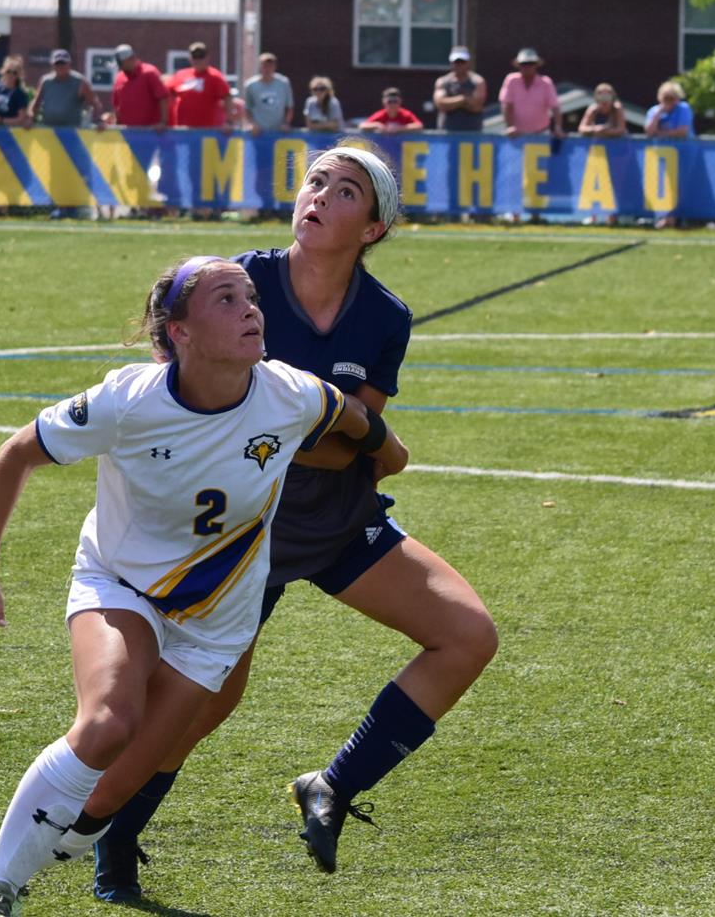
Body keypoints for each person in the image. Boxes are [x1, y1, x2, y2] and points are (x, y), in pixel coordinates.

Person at [83, 148, 498, 900]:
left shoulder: (384, 317)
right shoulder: (239, 282)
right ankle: (116, 834)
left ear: (372, 229)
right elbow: (180, 387)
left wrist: (311, 436)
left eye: (345, 192)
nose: (320, 197)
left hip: (338, 524)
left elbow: (361, 442)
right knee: (205, 703)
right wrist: (303, 437)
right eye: (315, 182)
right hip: (240, 531)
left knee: (468, 636)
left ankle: (332, 785)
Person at [0, 254, 406, 917]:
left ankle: (40, 854)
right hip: (120, 583)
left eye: (250, 297)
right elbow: (20, 450)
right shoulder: (129, 401)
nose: (250, 308)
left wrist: (387, 456)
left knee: (103, 802)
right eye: (226, 299)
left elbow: (356, 424)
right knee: (108, 722)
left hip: (216, 628)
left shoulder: (290, 393)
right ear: (180, 332)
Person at [31, 49, 105, 130]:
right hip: (49, 131)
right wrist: (30, 118)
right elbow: (36, 103)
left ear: (69, 64)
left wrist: (99, 120)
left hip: (72, 132)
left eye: (63, 63)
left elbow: (95, 103)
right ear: (52, 65)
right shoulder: (45, 81)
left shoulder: (80, 82)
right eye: (57, 64)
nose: (60, 67)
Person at [166, 41, 232, 130]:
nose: (198, 60)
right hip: (182, 130)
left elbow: (227, 97)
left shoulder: (215, 76)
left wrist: (228, 122)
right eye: (195, 57)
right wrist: (165, 121)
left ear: (207, 57)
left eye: (201, 57)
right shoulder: (180, 75)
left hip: (206, 131)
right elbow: (167, 96)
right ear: (190, 58)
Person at [498, 48, 559, 137]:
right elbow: (506, 105)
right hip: (516, 135)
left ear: (536, 65)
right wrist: (510, 126)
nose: (527, 67)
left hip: (541, 133)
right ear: (519, 65)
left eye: (531, 63)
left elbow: (555, 107)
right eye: (523, 64)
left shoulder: (546, 82)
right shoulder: (511, 80)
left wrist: (558, 127)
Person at [109, 44, 171, 131]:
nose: (120, 68)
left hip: (150, 133)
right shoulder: (119, 78)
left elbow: (163, 97)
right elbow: (117, 106)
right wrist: (116, 124)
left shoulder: (150, 73)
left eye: (121, 64)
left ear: (131, 59)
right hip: (127, 134)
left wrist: (163, 122)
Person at [432, 48, 486, 133]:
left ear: (468, 63)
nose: (459, 65)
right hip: (447, 133)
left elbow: (477, 106)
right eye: (456, 62)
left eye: (462, 62)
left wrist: (451, 103)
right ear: (451, 63)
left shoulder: (478, 81)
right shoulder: (442, 81)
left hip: (472, 134)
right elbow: (441, 104)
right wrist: (463, 99)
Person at [242, 52, 295, 136]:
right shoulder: (250, 85)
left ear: (275, 67)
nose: (267, 69)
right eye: (264, 66)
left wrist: (286, 123)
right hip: (258, 133)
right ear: (260, 67)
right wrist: (252, 124)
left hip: (278, 132)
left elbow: (290, 107)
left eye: (270, 66)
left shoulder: (284, 83)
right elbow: (247, 108)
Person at [0, 56, 33, 128]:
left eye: (14, 72)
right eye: (8, 71)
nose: (11, 75)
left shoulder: (20, 94)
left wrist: (1, 120)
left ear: (19, 75)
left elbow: (21, 119)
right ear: (3, 71)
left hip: (13, 133)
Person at [358, 86, 424, 134]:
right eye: (389, 102)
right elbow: (362, 126)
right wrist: (378, 125)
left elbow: (419, 125)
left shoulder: (406, 114)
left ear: (400, 102)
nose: (392, 105)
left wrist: (400, 128)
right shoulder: (380, 115)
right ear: (384, 102)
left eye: (395, 101)